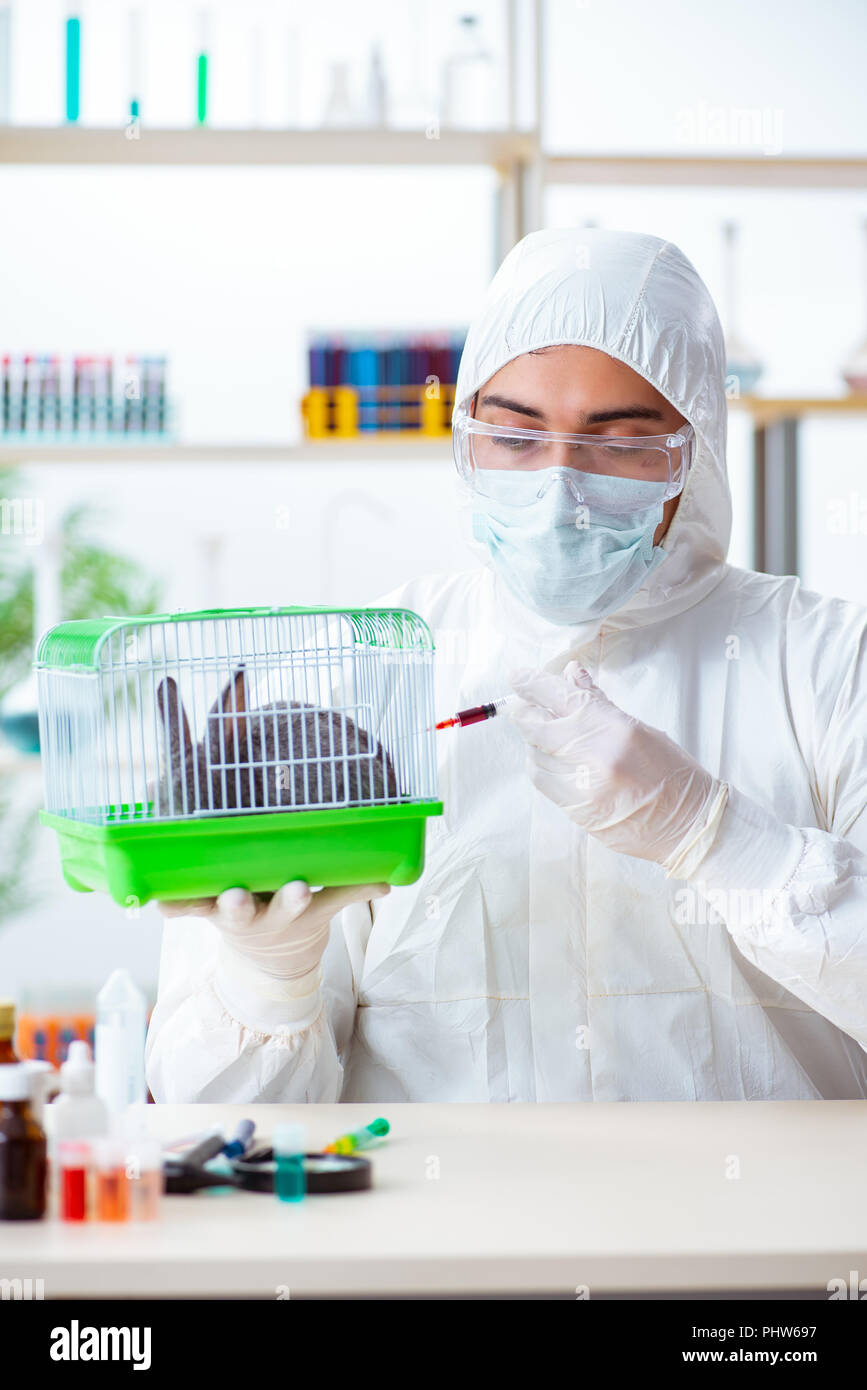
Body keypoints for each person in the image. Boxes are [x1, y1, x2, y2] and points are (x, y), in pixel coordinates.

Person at [146, 227, 867, 1103]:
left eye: (618, 441)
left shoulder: (827, 664)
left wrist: (718, 840)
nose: (561, 486)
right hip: (445, 1235)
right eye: (516, 438)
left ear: (693, 454)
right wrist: (269, 977)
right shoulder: (372, 672)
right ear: (466, 439)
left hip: (769, 1234)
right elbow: (228, 1124)